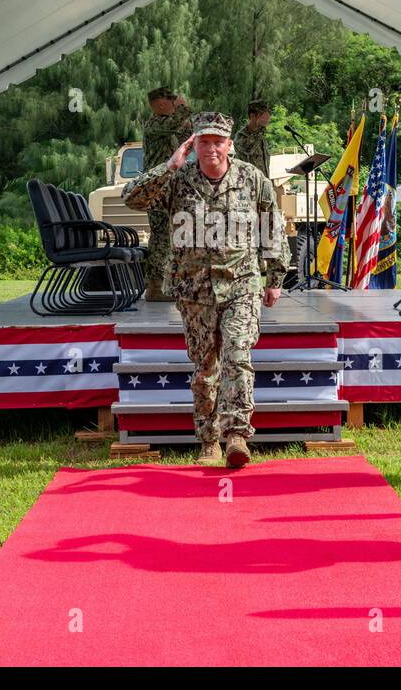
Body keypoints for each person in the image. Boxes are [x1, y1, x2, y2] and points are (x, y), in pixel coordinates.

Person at [122, 111, 290, 467]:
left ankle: (237, 435)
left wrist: (275, 277)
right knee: (205, 368)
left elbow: (271, 226)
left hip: (241, 284)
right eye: (203, 142)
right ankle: (209, 440)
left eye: (218, 141)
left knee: (238, 353)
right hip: (194, 290)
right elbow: (132, 199)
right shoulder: (177, 180)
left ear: (230, 144)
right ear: (193, 145)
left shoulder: (251, 178)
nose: (211, 148)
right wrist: (169, 166)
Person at [140, 87, 194, 301]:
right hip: (157, 189)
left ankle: (164, 284)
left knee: (169, 236)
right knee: (160, 236)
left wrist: (187, 123)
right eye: (171, 100)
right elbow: (173, 124)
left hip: (167, 188)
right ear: (161, 103)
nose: (174, 103)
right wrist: (183, 109)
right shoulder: (154, 124)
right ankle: (154, 287)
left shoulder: (165, 127)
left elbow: (185, 139)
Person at [235, 99, 272, 176]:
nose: (267, 118)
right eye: (263, 115)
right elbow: (249, 151)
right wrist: (260, 129)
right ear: (252, 116)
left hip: (263, 180)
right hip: (248, 180)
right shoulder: (241, 136)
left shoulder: (261, 135)